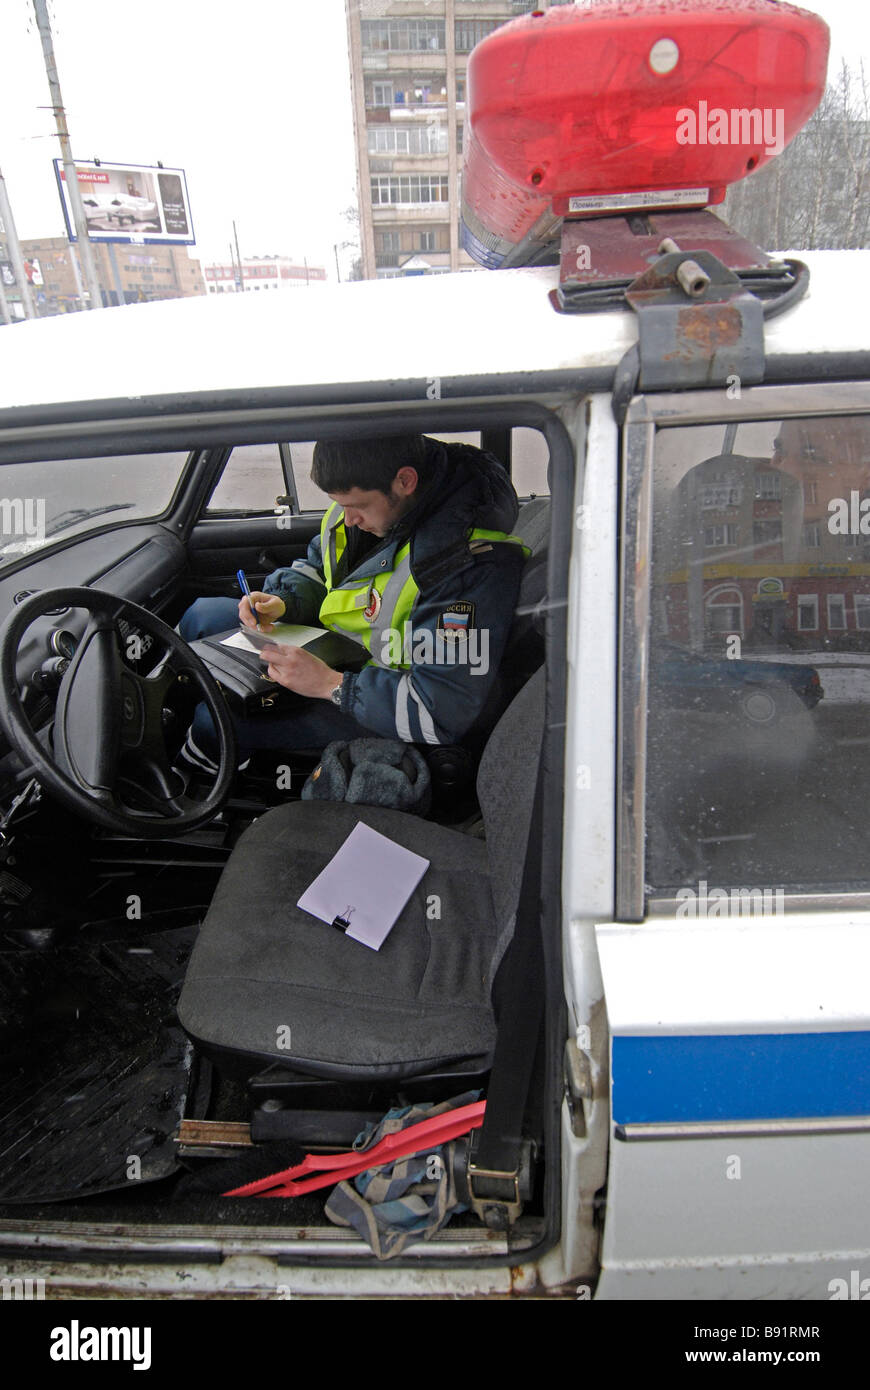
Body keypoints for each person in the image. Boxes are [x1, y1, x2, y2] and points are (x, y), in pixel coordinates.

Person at [177, 433, 528, 774]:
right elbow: (322, 567)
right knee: (201, 615)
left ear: (405, 481)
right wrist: (284, 601)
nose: (347, 518)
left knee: (216, 720)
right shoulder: (371, 505)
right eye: (341, 505)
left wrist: (329, 684)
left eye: (355, 506)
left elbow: (442, 709)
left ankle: (196, 790)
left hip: (382, 697)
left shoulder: (469, 567)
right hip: (339, 654)